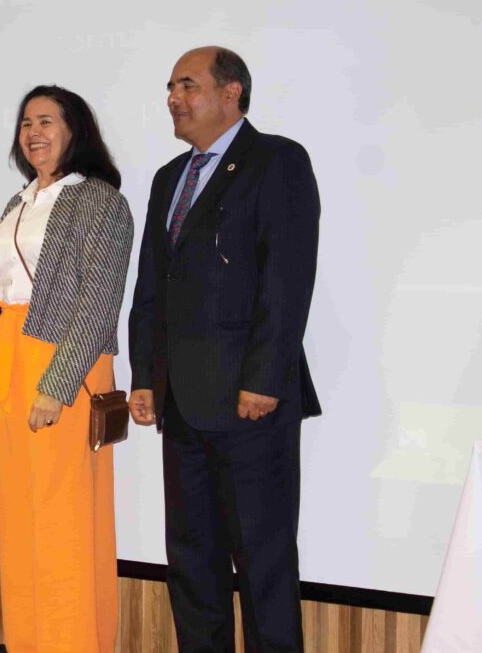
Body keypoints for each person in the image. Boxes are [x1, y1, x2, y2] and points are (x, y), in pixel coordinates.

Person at [128, 46, 321, 652]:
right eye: (170, 87)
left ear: (231, 92)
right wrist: (145, 375)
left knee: (262, 562)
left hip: (249, 403)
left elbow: (287, 280)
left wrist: (264, 379)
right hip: (182, 403)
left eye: (187, 85)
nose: (173, 98)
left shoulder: (276, 161)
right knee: (192, 560)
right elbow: (151, 287)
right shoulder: (169, 177)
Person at [0, 85, 134, 653]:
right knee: (21, 518)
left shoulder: (99, 200)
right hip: (14, 365)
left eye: (46, 121)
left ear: (75, 130)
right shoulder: (19, 201)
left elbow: (98, 301)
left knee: (64, 521)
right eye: (25, 123)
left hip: (66, 364)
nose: (33, 132)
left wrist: (56, 386)